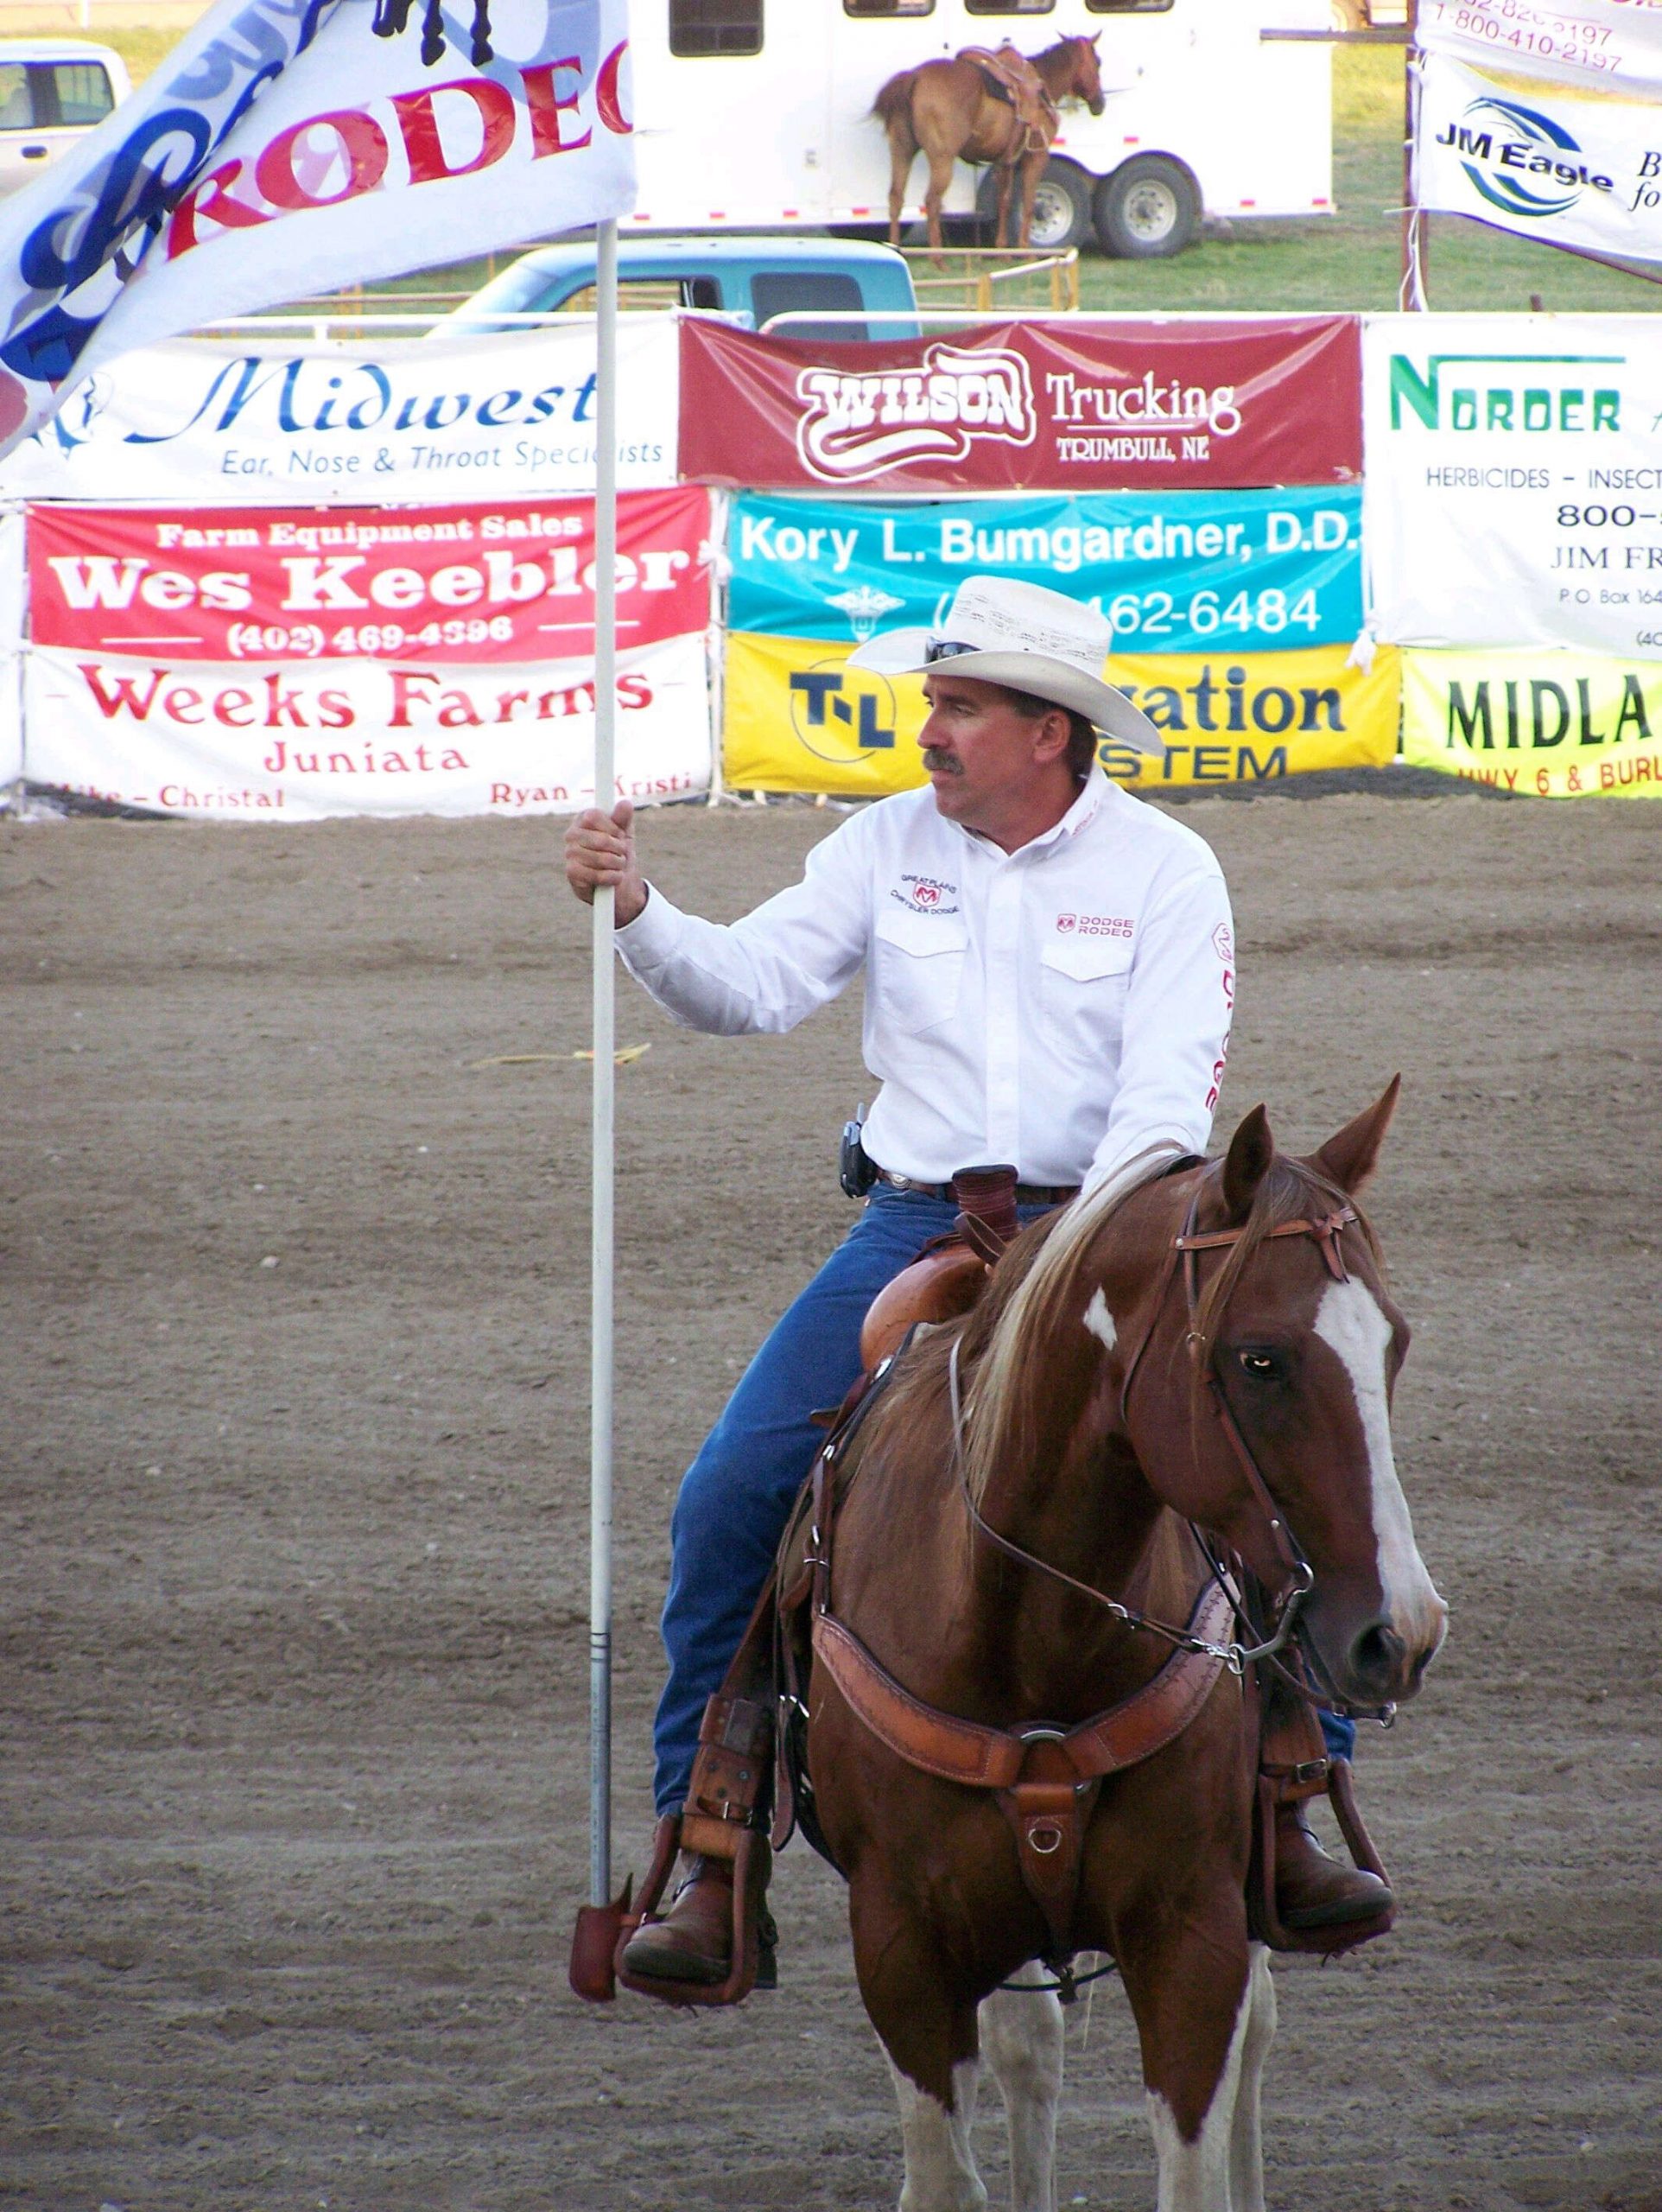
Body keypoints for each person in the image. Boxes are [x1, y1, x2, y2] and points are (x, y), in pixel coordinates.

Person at [564, 576, 1386, 1986]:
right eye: (933, 705)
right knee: (732, 1497)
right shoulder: (882, 845)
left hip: (1121, 1228)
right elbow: (750, 986)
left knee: (1259, 1465)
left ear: (1050, 733)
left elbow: (1164, 1103)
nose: (929, 733)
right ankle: (712, 1842)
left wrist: (1067, 1269)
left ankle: (1292, 1796)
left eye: (958, 708)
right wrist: (638, 907)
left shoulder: (1169, 870)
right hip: (916, 1228)